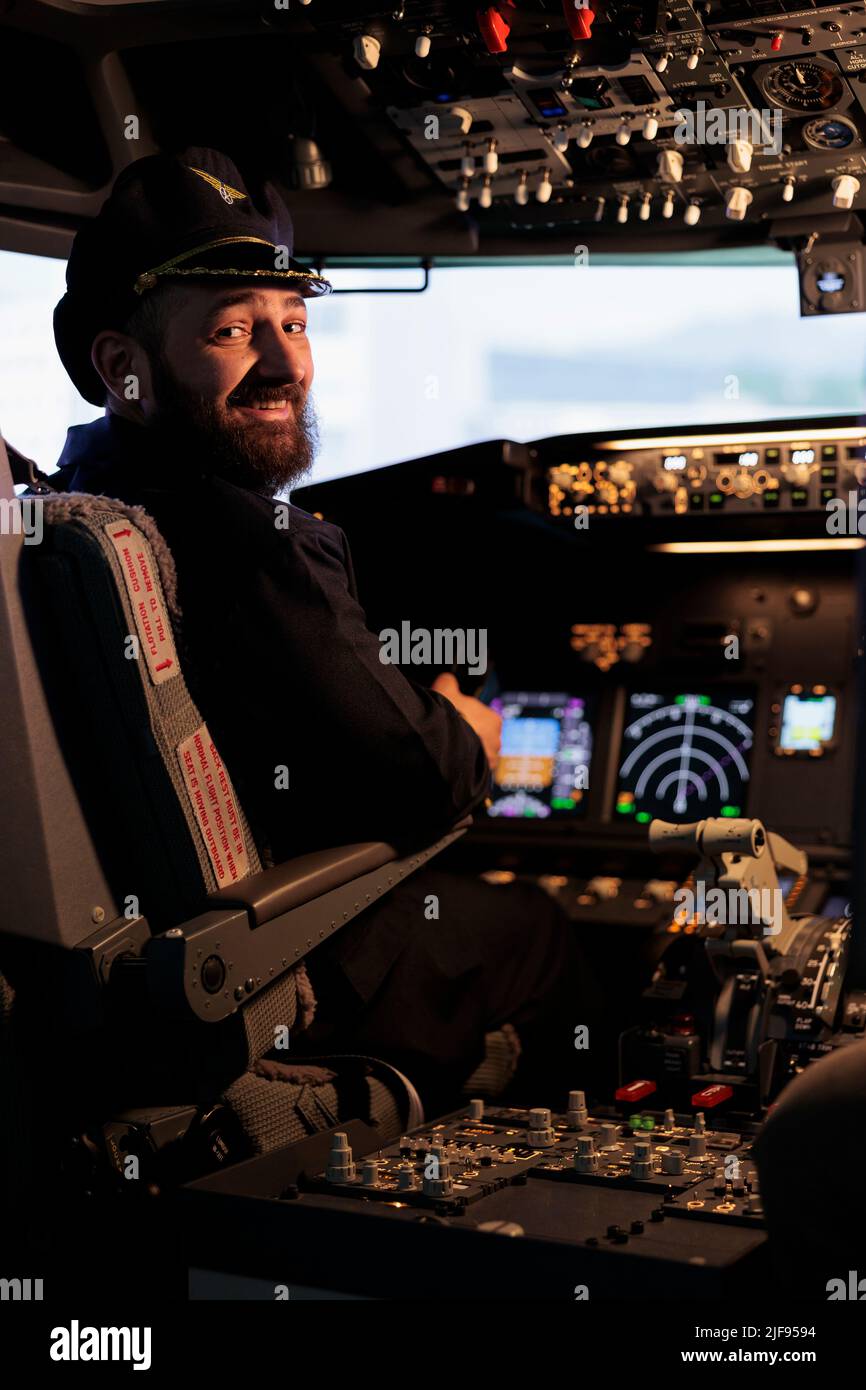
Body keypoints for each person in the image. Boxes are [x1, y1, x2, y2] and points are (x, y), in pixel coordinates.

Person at [51, 146, 603, 1115]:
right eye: (232, 327)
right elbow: (417, 777)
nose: (282, 362)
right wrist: (465, 736)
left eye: (294, 322)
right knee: (539, 927)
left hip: (137, 980)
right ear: (121, 368)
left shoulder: (70, 508)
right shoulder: (253, 543)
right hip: (283, 964)